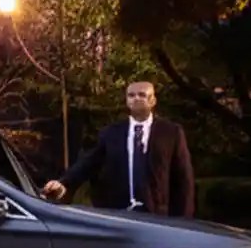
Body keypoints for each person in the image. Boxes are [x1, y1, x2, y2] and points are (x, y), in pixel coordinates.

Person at [41, 81, 196, 217]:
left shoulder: (170, 132)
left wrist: (184, 219)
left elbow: (184, 179)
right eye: (131, 95)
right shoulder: (112, 133)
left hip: (158, 217)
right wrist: (64, 183)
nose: (136, 99)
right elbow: (89, 163)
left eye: (142, 95)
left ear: (153, 100)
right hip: (120, 216)